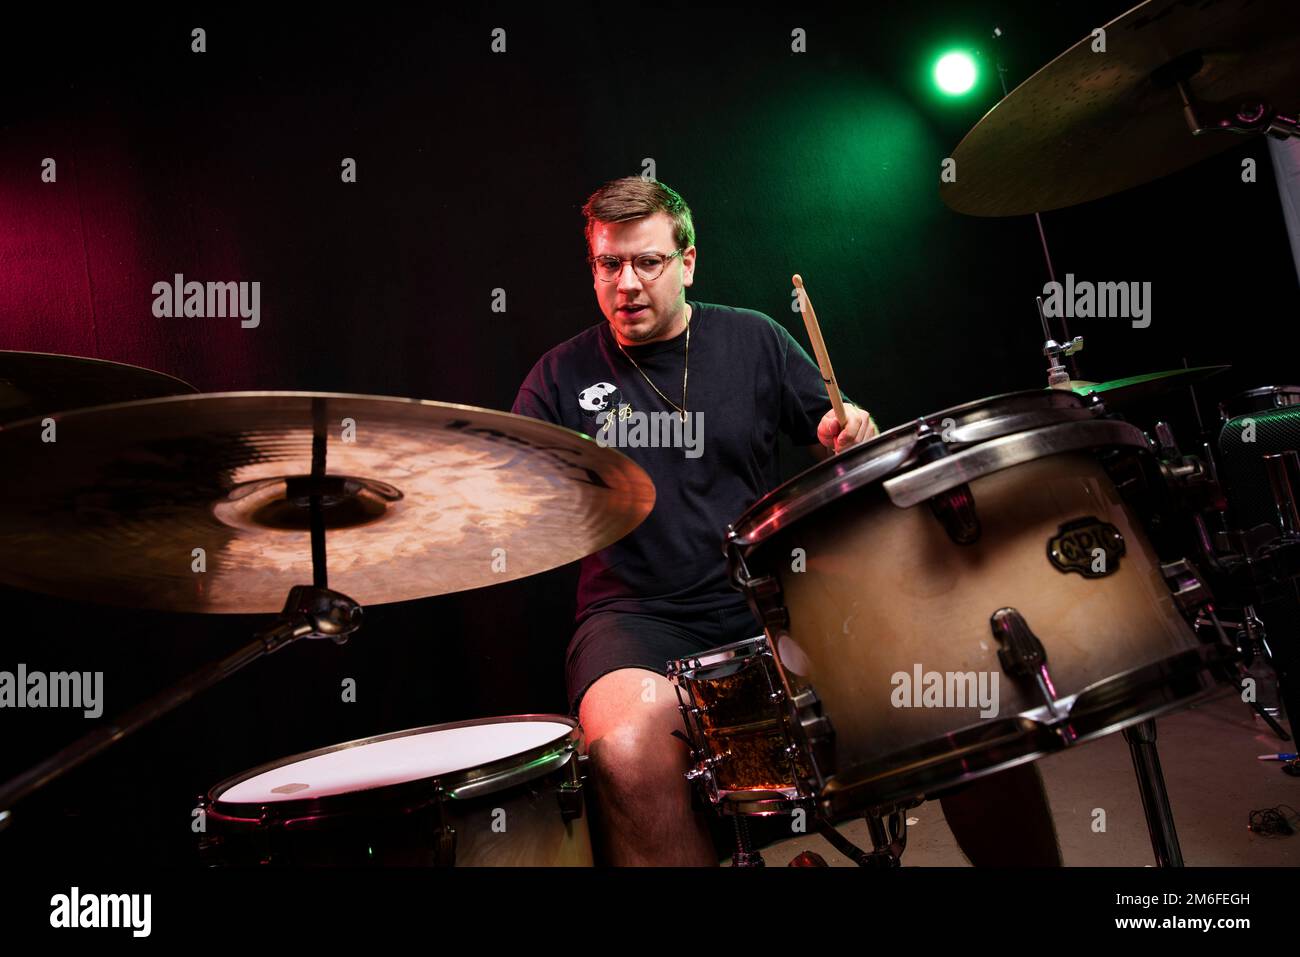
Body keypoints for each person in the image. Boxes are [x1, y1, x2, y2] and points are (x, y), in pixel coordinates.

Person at [511, 176, 1060, 866]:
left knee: (966, 693)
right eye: (608, 264)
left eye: (647, 261)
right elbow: (515, 504)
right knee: (625, 751)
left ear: (687, 262)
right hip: (637, 616)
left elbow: (850, 444)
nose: (627, 283)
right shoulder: (558, 378)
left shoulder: (754, 338)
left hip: (778, 597)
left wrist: (852, 431)